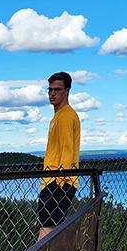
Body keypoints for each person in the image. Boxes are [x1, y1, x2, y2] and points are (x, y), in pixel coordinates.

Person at [38, 71, 81, 240]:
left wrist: (60, 180)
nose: (52, 93)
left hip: (58, 181)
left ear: (67, 91)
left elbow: (67, 150)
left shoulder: (66, 116)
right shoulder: (58, 117)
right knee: (52, 229)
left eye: (57, 89)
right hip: (53, 179)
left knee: (46, 231)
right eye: (50, 89)